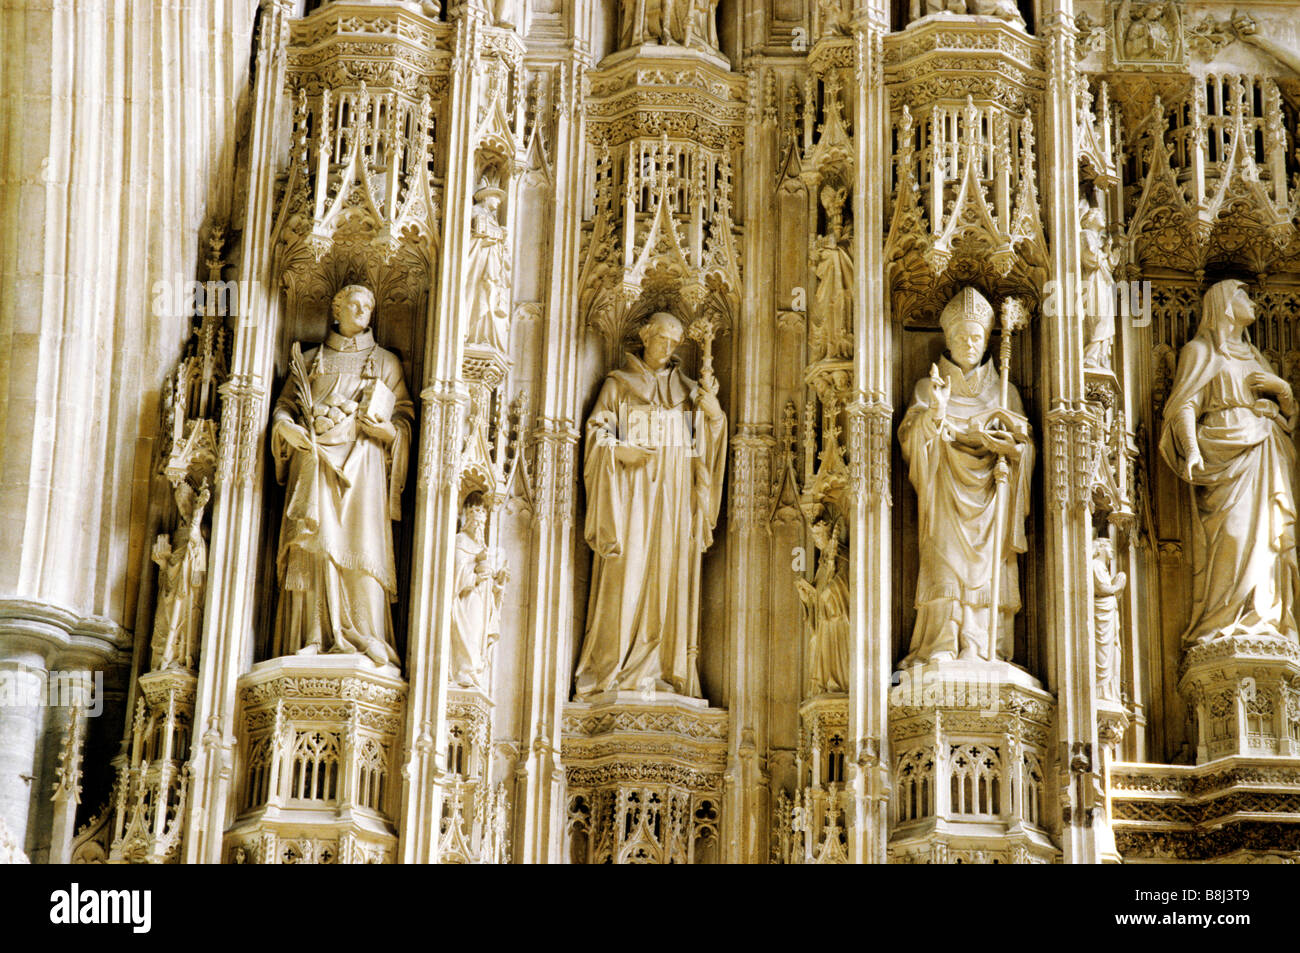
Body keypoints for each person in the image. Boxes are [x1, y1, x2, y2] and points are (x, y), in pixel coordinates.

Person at [574, 312, 727, 699]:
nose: (668, 347)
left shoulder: (689, 391)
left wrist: (714, 417)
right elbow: (595, 434)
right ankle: (612, 671)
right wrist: (619, 448)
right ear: (644, 336)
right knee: (626, 575)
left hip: (673, 501)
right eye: (662, 338)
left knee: (667, 579)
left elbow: (704, 451)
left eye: (676, 343)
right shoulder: (619, 385)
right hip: (631, 496)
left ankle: (662, 669)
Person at [270, 285, 414, 666]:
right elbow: (284, 406)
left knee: (361, 544)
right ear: (336, 308)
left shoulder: (385, 362)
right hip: (314, 459)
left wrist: (388, 433)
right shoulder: (310, 359)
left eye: (369, 305)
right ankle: (313, 636)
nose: (363, 310)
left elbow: (403, 418)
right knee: (314, 544)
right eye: (355, 303)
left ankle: (366, 635)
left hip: (363, 467)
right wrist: (285, 428)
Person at [898, 287, 1034, 664]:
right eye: (961, 337)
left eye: (976, 337)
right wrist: (936, 416)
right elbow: (912, 442)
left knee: (989, 570)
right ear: (948, 339)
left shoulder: (1005, 392)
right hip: (944, 494)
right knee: (944, 562)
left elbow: (1026, 445)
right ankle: (941, 643)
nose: (969, 344)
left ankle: (981, 646)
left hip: (992, 499)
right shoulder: (930, 388)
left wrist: (1013, 449)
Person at [1158, 279, 1298, 645]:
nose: (1252, 302)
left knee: (1270, 541)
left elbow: (1290, 415)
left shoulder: (1255, 357)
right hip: (1223, 456)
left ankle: (1266, 620)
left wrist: (1282, 390)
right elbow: (1184, 404)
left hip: (1265, 452)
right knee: (1234, 537)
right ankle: (1222, 623)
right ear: (1222, 303)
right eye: (1243, 295)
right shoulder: (1199, 351)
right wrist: (1191, 449)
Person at [450, 495, 509, 690]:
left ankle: (474, 670)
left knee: (478, 635)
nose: (478, 526)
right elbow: (455, 574)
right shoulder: (459, 541)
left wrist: (499, 581)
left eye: (482, 520)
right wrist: (475, 574)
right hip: (466, 600)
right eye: (475, 519)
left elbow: (492, 588)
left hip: (482, 602)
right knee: (467, 631)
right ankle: (463, 670)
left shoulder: (483, 548)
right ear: (466, 520)